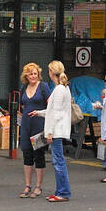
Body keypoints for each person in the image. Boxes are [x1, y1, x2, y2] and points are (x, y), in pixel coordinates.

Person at [18, 62, 52, 199]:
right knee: (27, 154)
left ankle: (38, 186)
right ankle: (27, 185)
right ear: (26, 75)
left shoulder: (43, 87)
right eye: (30, 73)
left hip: (40, 125)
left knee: (38, 155)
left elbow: (51, 107)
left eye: (35, 73)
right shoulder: (24, 87)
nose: (33, 76)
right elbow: (22, 105)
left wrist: (39, 113)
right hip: (26, 125)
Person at [43, 61, 73, 201]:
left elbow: (57, 112)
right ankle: (61, 191)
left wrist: (50, 132)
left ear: (51, 72)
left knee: (58, 162)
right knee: (58, 161)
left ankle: (63, 192)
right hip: (59, 129)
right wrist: (39, 112)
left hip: (57, 130)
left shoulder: (59, 89)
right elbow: (54, 111)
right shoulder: (63, 88)